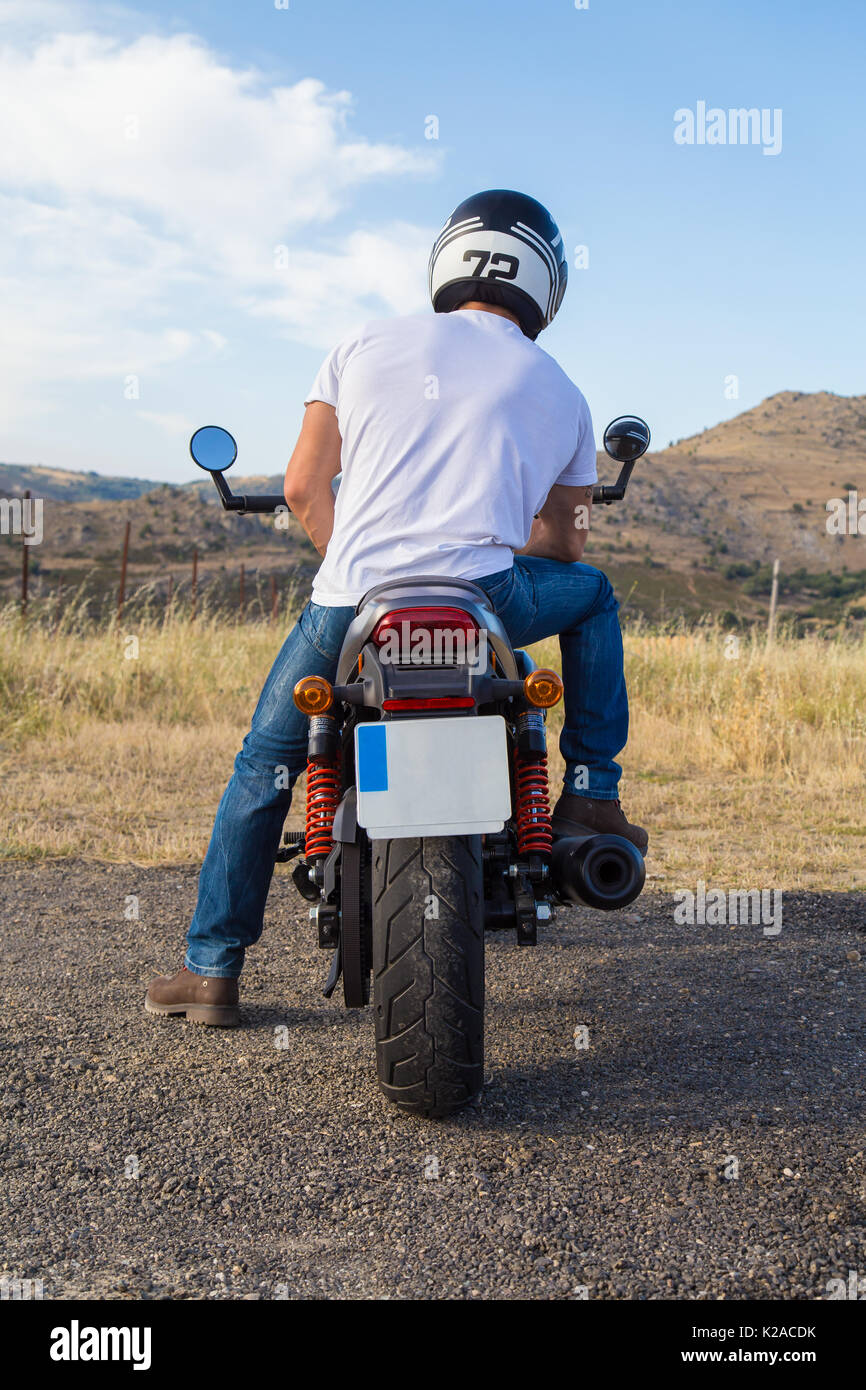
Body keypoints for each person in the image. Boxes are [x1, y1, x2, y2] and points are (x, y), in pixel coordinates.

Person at [146, 189, 648, 1027]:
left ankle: (212, 972)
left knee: (264, 767)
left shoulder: (361, 343)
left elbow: (306, 489)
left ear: (448, 262)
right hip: (486, 597)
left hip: (353, 601)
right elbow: (568, 546)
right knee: (592, 599)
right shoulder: (558, 386)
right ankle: (593, 791)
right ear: (545, 284)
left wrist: (367, 567)